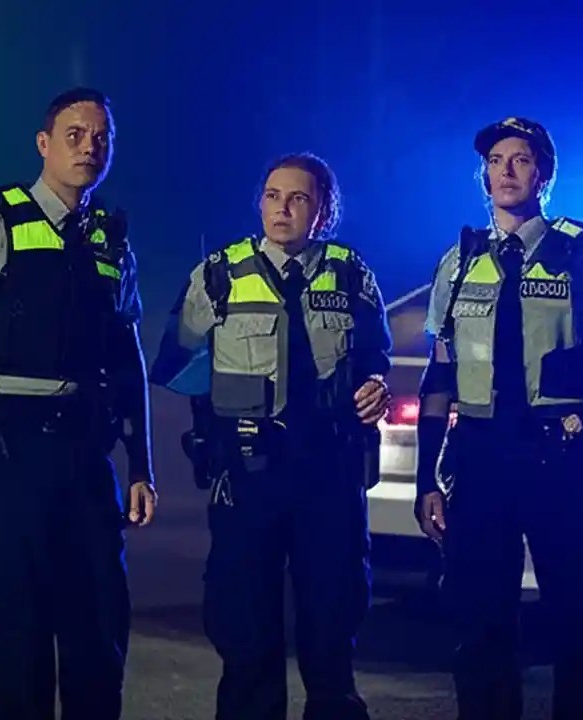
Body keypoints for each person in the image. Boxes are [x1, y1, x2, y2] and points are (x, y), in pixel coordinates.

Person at [0, 86, 156, 720]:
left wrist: (141, 466)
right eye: (74, 135)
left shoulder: (112, 241)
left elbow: (126, 357)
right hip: (8, 451)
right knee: (17, 642)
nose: (89, 146)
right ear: (44, 144)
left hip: (83, 457)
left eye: (101, 137)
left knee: (98, 637)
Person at [414, 117, 583, 720]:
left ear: (541, 173)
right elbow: (439, 377)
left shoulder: (579, 252)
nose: (506, 171)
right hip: (482, 464)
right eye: (496, 160)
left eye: (520, 159)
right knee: (481, 631)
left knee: (581, 625)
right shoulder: (459, 262)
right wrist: (425, 481)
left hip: (558, 462)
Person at [149, 152, 392, 720]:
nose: (282, 208)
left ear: (323, 212)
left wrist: (375, 383)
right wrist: (226, 407)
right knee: (246, 629)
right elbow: (173, 361)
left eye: (299, 198)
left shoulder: (350, 273)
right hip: (250, 477)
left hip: (328, 476)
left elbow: (374, 353)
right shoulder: (218, 274)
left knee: (332, 624)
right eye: (273, 195)